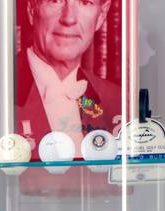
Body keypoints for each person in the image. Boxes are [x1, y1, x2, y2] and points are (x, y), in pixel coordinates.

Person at [17, 0, 123, 159]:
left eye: (85, 2)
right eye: (55, 1)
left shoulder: (118, 101)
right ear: (32, 8)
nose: (69, 19)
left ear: (101, 15)